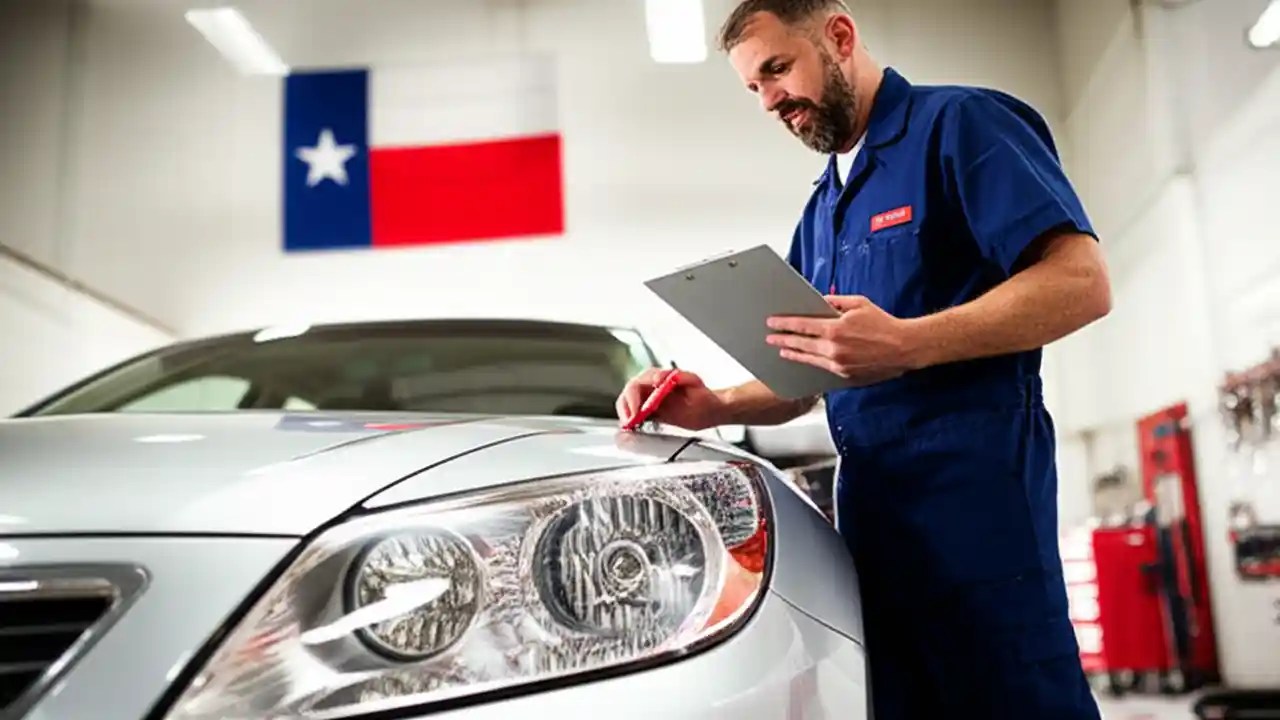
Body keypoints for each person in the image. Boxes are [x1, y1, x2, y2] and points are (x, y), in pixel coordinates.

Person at [615, 1, 1112, 718]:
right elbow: (809, 374)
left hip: (979, 510)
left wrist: (909, 342)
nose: (770, 101)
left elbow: (1082, 283)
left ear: (839, 36)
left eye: (777, 70)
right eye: (754, 88)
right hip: (873, 519)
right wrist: (715, 403)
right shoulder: (824, 210)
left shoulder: (962, 127)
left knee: (1013, 698)